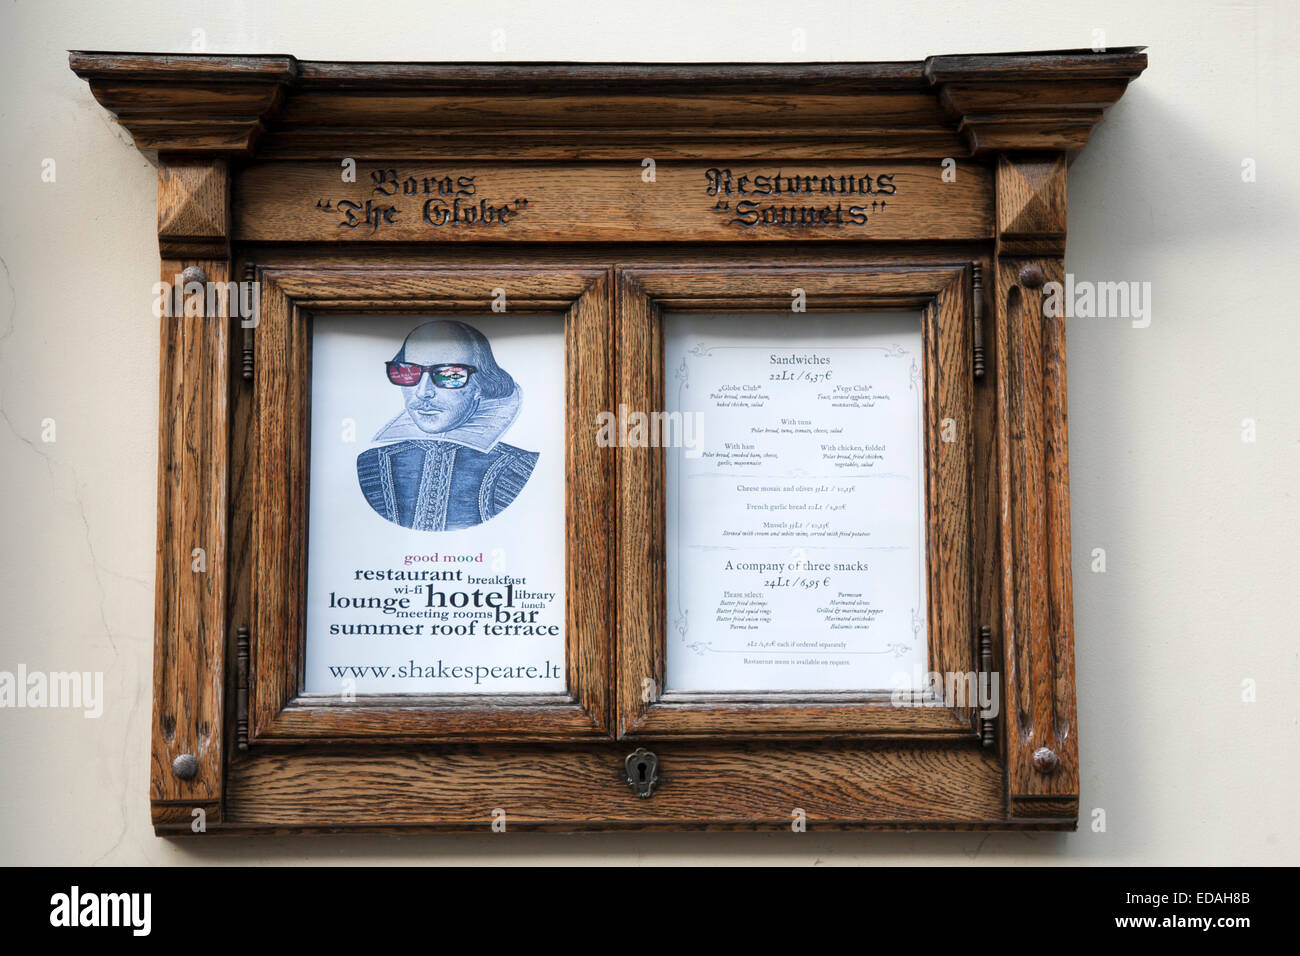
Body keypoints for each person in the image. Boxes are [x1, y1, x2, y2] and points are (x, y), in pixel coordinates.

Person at [356, 320, 537, 531]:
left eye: (449, 375)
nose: (423, 392)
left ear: (481, 385)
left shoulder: (519, 468)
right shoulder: (369, 464)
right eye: (409, 372)